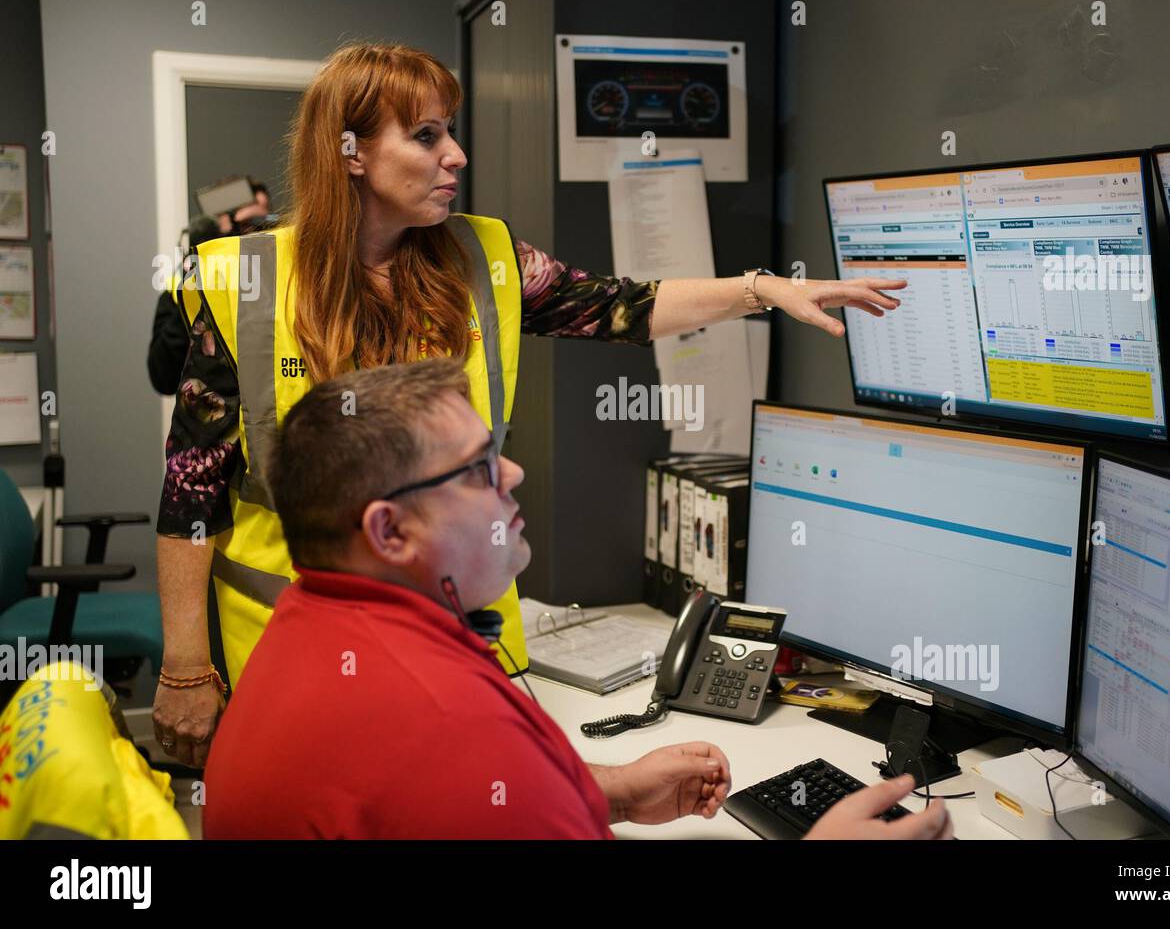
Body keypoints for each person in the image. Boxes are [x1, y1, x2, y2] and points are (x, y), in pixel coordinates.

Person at [154, 41, 906, 766]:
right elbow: (191, 492)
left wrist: (762, 290)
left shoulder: (484, 259)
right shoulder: (246, 284)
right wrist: (184, 668)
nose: (456, 155)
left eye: (451, 131)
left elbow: (623, 306)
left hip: (463, 633)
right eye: (425, 136)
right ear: (350, 152)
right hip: (299, 640)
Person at [202, 359, 951, 840]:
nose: (516, 474)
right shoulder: (443, 722)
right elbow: (451, 771)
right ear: (389, 529)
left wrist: (613, 792)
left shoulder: (312, 629)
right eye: (479, 467)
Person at [147, 181, 274, 395]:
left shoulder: (276, 281)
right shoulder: (180, 291)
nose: (254, 234)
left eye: (262, 223)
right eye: (246, 225)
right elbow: (163, 378)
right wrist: (196, 284)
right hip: (215, 420)